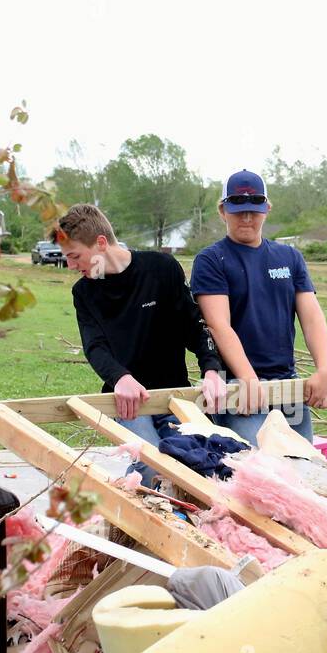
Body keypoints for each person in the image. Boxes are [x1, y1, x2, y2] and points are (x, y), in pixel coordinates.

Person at [58, 203, 227, 487]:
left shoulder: (161, 270)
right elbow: (95, 346)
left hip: (173, 392)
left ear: (100, 243)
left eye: (75, 256)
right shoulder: (84, 292)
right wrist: (120, 378)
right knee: (149, 465)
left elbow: (195, 327)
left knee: (196, 465)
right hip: (128, 401)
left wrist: (211, 369)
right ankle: (131, 523)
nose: (71, 266)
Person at [191, 169, 327, 443]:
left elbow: (312, 316)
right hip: (238, 387)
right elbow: (218, 325)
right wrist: (247, 376)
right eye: (237, 211)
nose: (246, 218)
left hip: (287, 383)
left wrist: (324, 369)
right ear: (222, 211)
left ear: (267, 209)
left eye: (254, 210)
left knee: (303, 465)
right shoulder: (211, 260)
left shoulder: (289, 257)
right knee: (256, 468)